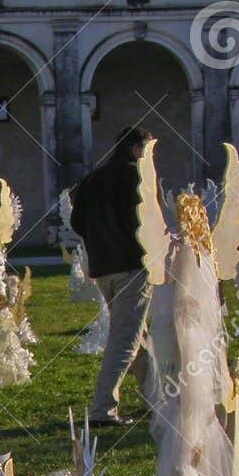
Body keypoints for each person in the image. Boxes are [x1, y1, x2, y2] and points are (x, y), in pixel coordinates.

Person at [71, 126, 153, 424]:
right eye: (147, 149)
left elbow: (76, 221)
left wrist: (99, 241)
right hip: (132, 265)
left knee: (136, 333)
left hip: (103, 267)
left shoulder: (92, 179)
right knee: (125, 338)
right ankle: (103, 408)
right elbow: (144, 222)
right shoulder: (135, 175)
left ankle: (154, 398)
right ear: (136, 149)